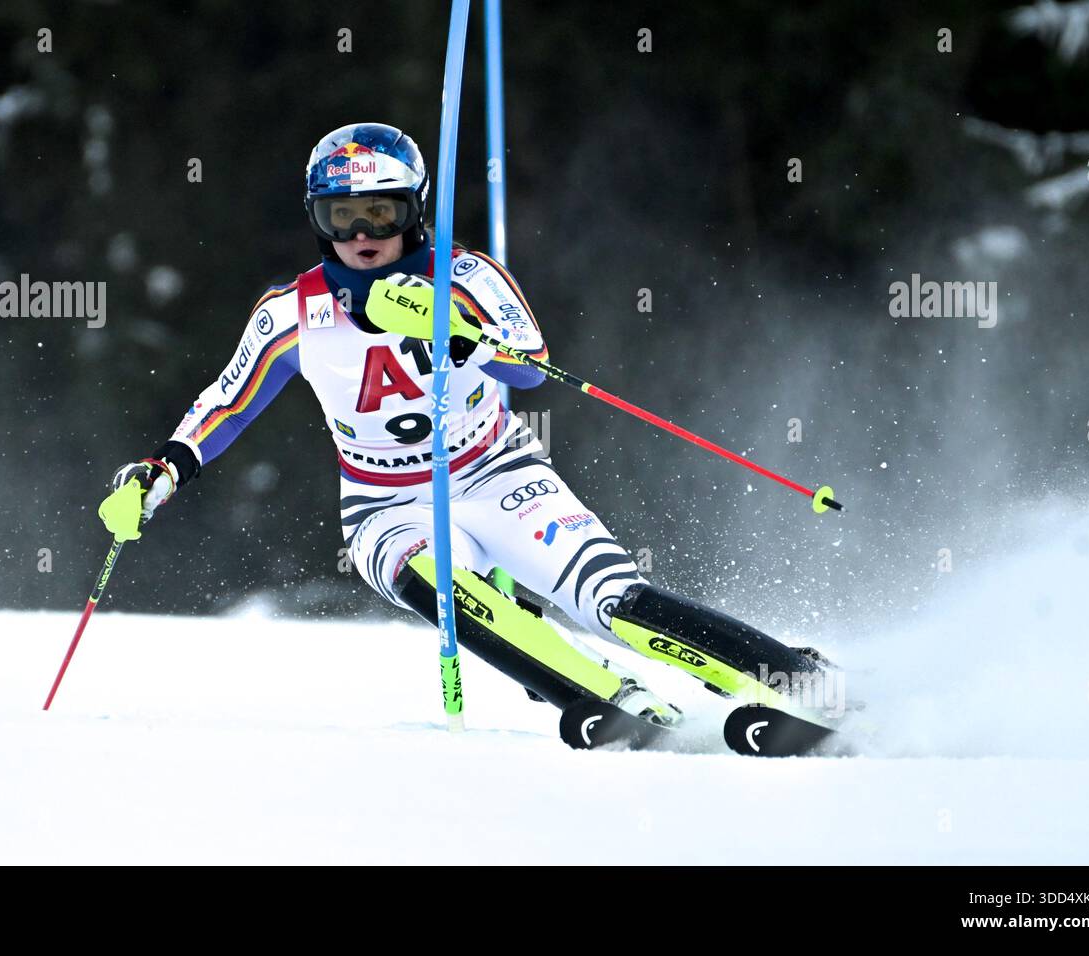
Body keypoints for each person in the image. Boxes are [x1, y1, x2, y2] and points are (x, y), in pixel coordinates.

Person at [102, 122, 808, 728]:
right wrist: (158, 475)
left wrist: (459, 330)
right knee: (438, 584)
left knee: (612, 603)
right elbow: (226, 403)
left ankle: (796, 680)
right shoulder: (290, 314)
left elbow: (530, 365)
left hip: (498, 473)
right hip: (383, 505)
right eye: (339, 217)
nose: (361, 236)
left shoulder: (466, 276)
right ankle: (602, 694)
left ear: (413, 212)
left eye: (380, 214)